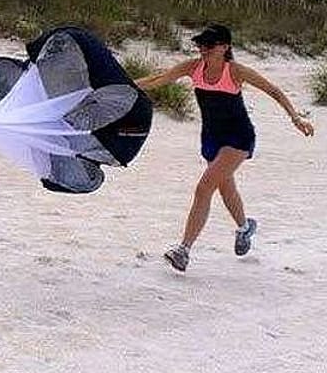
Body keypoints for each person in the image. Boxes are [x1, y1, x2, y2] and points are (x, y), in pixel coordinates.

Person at [135, 24, 314, 272]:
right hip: (211, 138)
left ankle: (183, 250)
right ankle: (244, 227)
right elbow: (158, 79)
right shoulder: (193, 67)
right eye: (201, 44)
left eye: (209, 44)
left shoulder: (235, 71)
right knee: (225, 188)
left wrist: (295, 117)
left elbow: (273, 90)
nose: (203, 49)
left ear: (225, 47)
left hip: (238, 138)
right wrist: (122, 85)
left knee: (204, 188)